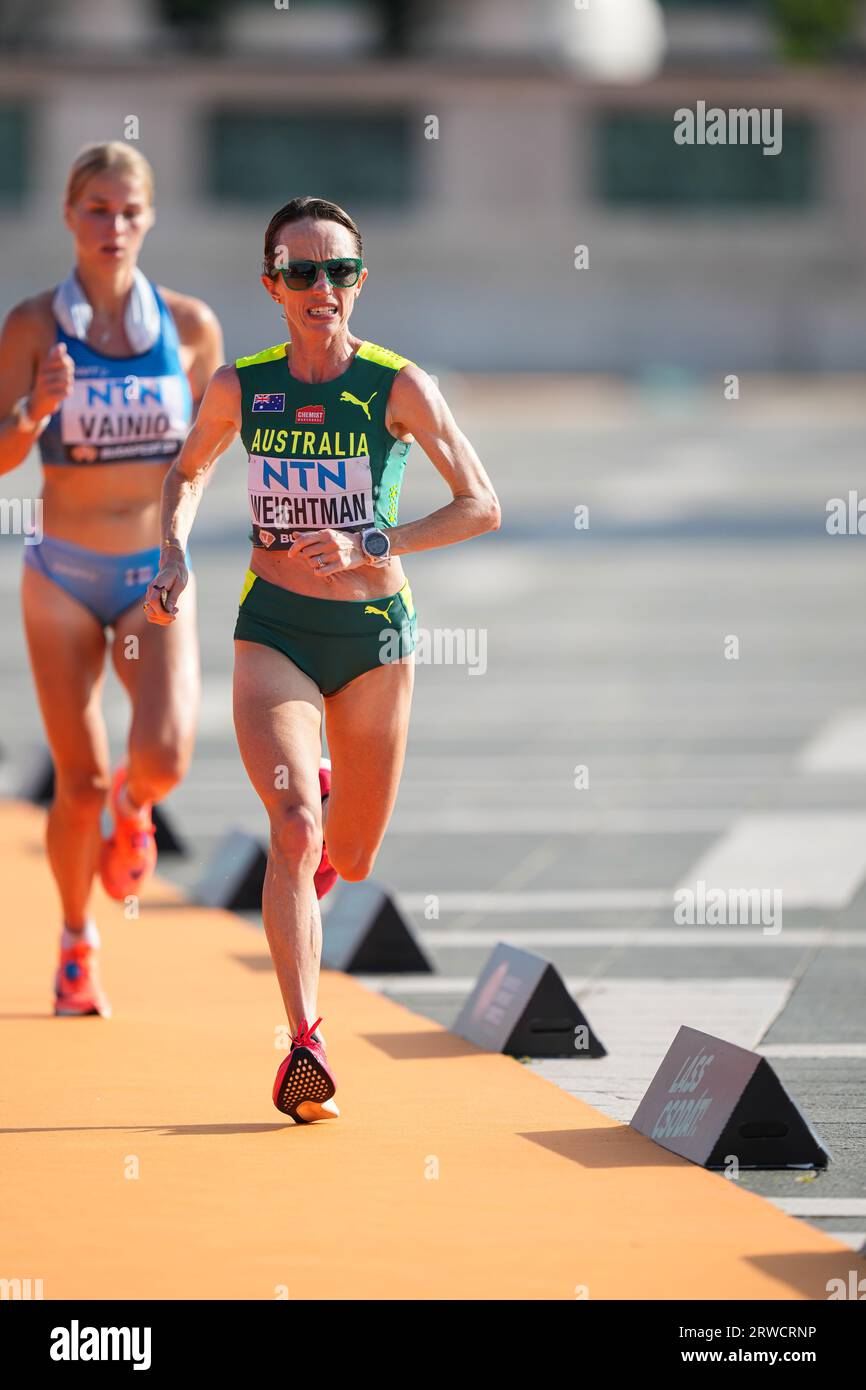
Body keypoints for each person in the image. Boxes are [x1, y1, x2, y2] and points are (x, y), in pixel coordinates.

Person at [145, 195, 500, 1121]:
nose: (321, 287)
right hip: (276, 630)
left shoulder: (398, 386)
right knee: (296, 829)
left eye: (338, 270)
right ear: (273, 286)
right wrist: (174, 550)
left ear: (359, 281)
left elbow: (482, 505)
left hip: (375, 638)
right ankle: (305, 1043)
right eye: (301, 271)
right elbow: (188, 468)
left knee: (352, 851)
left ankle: (331, 795)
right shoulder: (244, 386)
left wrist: (375, 541)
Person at [0, 142, 223, 1017]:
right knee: (78, 779)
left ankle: (136, 808)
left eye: (130, 211)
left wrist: (178, 539)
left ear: (150, 218)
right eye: (97, 208)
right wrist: (35, 410)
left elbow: (207, 454)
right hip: (61, 575)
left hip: (150, 574)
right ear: (68, 215)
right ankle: (74, 940)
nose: (114, 226)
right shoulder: (32, 325)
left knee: (162, 758)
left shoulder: (190, 327)